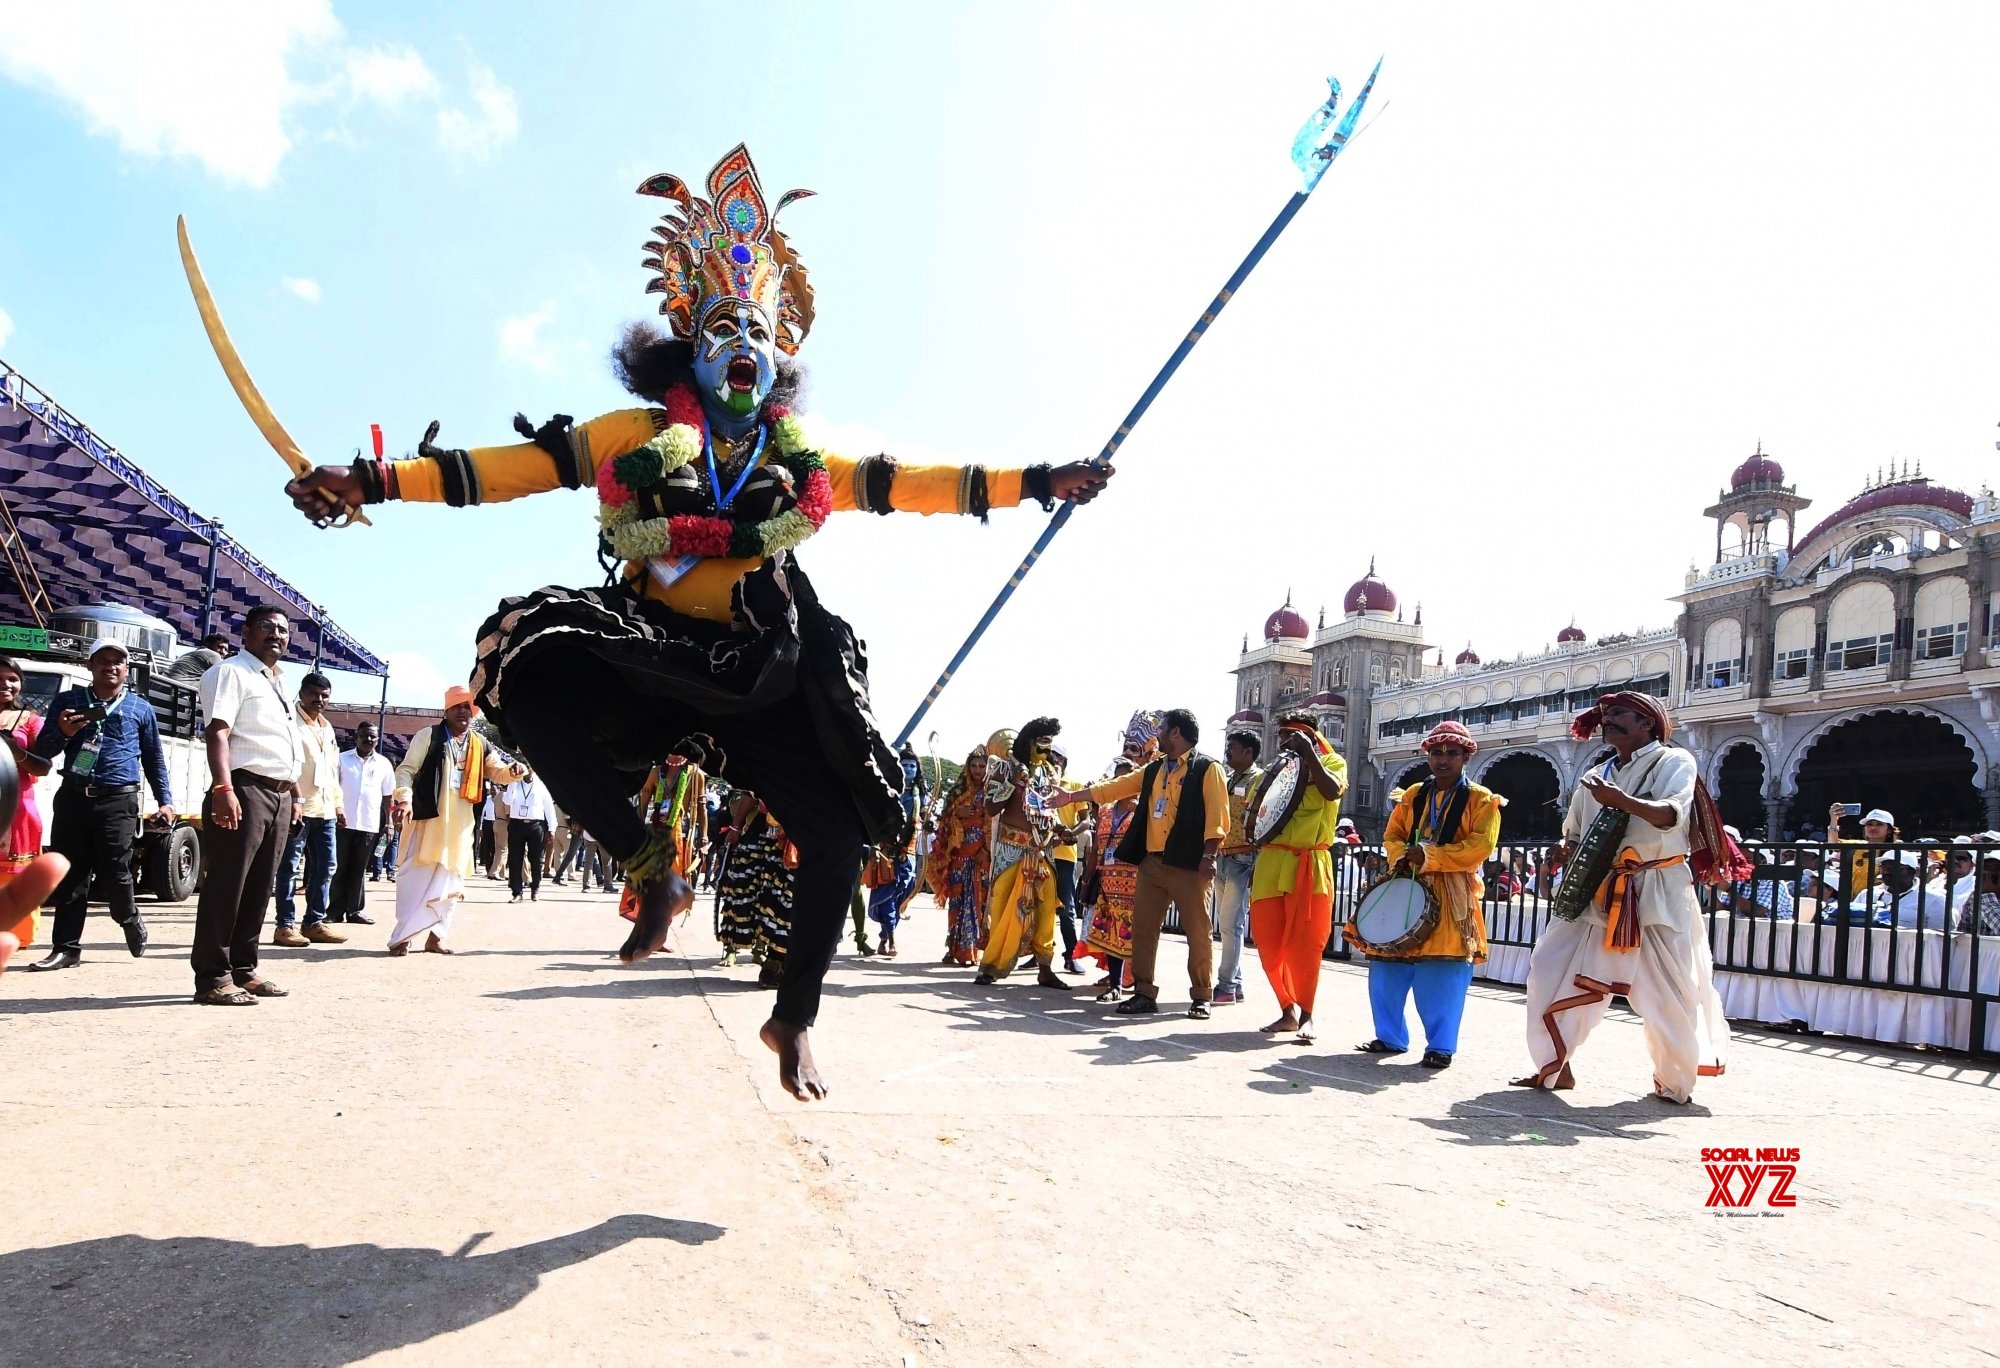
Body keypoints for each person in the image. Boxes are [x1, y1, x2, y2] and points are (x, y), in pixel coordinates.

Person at [282, 145, 1112, 1098]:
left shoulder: (800, 460)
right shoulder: (633, 438)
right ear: (689, 347)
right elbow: (495, 472)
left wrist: (1039, 482)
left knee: (839, 828)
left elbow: (911, 481)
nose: (746, 348)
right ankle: (650, 865)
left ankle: (792, 1016)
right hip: (643, 653)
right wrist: (374, 482)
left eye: (760, 332)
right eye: (726, 329)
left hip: (758, 669)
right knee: (532, 672)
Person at [1512, 692, 1741, 1102]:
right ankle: (1553, 1066)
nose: (1607, 720)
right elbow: (1577, 833)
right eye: (1605, 715)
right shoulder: (1596, 774)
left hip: (1656, 890)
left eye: (1619, 714)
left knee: (1668, 992)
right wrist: (1564, 849)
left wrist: (1620, 802)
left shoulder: (1674, 762)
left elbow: (1671, 814)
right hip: (1597, 891)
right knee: (1548, 967)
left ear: (1648, 723)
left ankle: (1675, 1083)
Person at [1354, 720, 1498, 1068]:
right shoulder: (1414, 794)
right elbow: (1392, 836)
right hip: (1405, 882)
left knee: (1442, 972)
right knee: (1387, 966)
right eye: (1436, 753)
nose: (1443, 759)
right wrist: (1403, 856)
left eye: (1451, 753)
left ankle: (1440, 1046)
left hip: (1451, 892)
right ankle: (1390, 1037)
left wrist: (1431, 856)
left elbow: (1480, 847)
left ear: (1466, 757)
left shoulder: (1482, 801)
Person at [1067, 707, 1227, 1019]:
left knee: (1197, 931)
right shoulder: (1154, 770)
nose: (1158, 734)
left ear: (1176, 733)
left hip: (1190, 864)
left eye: (1162, 728)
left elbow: (1218, 818)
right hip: (1152, 863)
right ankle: (1143, 993)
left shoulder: (1208, 768)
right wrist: (1071, 797)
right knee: (1142, 930)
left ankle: (1201, 996)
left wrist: (1209, 857)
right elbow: (1115, 787)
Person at [28, 638, 174, 971]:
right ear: (91, 666)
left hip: (118, 801)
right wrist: (63, 732)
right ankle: (66, 949)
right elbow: (44, 751)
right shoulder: (68, 701)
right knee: (70, 875)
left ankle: (129, 916)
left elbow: (154, 759)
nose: (110, 666)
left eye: (118, 661)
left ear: (126, 669)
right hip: (74, 798)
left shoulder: (140, 708)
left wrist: (165, 801)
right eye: (103, 660)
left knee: (114, 873)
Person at [191, 607, 303, 1004]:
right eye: (267, 628)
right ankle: (212, 977)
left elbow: (282, 743)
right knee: (227, 886)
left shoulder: (277, 680)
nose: (277, 635)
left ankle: (244, 969)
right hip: (243, 789)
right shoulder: (231, 672)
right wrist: (223, 787)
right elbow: (218, 732)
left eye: (284, 630)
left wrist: (295, 795)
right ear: (246, 633)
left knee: (258, 888)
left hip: (279, 794)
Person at [391, 686, 524, 954]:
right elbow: (406, 770)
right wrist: (404, 798)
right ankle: (403, 936)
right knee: (414, 879)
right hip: (427, 821)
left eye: (468, 707)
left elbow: (496, 770)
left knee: (452, 880)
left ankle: (437, 936)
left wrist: (512, 771)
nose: (463, 711)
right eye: (458, 706)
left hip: (461, 826)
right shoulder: (428, 736)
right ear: (447, 710)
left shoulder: (479, 742)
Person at [1243, 712, 1347, 1042]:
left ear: (1312, 736)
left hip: (1310, 865)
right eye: (1283, 735)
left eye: (1295, 734)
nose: (1287, 741)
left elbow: (1332, 792)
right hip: (1271, 864)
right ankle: (1286, 1011)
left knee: (1306, 944)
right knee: (1267, 943)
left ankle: (1307, 1015)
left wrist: (1310, 754)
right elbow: (1255, 819)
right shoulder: (1271, 775)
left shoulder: (1333, 762)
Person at [974, 721, 1073, 990]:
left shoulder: (1051, 772)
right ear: (1028, 741)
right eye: (1042, 740)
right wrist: (1011, 782)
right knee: (1005, 909)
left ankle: (1045, 970)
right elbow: (991, 808)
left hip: (1043, 850)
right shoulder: (1005, 768)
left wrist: (1062, 830)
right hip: (1012, 850)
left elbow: (1048, 811)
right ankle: (991, 966)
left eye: (1050, 741)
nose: (1046, 747)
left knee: (1045, 913)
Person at [273, 671, 346, 948]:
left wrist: (338, 805)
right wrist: (295, 800)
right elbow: (286, 765)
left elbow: (332, 771)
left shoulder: (327, 728)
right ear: (302, 693)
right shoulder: (289, 722)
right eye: (314, 694)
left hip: (325, 810)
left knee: (326, 867)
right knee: (289, 868)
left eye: (324, 695)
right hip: (298, 808)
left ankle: (314, 922)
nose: (319, 699)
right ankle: (284, 926)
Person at [716, 792, 795, 986]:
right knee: (747, 889)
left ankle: (775, 961)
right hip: (762, 827)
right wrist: (736, 826)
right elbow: (749, 790)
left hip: (796, 826)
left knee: (785, 896)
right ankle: (736, 950)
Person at [1210, 728, 1264, 1006]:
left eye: (1232, 748)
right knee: (1227, 924)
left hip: (1244, 858)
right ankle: (1235, 984)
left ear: (1248, 753)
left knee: (1231, 925)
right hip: (1223, 856)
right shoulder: (1228, 779)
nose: (1227, 752)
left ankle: (1226, 986)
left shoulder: (1262, 780)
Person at [1079, 757, 1140, 1000]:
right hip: (1106, 883)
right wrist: (1086, 881)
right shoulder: (1104, 810)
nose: (1120, 783)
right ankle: (1115, 985)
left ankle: (1139, 985)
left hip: (1134, 884)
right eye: (1117, 778)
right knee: (1112, 935)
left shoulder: (1142, 811)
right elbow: (1095, 848)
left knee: (1135, 936)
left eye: (1125, 778)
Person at [926, 750, 991, 966]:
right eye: (974, 766)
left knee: (977, 904)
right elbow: (944, 820)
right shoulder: (957, 792)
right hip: (958, 856)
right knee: (956, 902)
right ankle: (951, 948)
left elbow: (996, 824)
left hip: (980, 857)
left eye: (982, 766)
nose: (978, 771)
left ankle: (971, 951)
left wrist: (987, 850)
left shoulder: (994, 792)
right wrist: (956, 815)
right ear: (967, 767)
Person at [332, 721, 396, 923]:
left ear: (377, 739)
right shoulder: (341, 759)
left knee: (359, 869)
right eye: (364, 736)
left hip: (369, 824)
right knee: (339, 868)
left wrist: (390, 823)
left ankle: (355, 911)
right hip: (342, 823)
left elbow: (388, 797)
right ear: (356, 737)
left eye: (372, 737)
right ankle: (333, 912)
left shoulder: (384, 764)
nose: (368, 740)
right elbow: (332, 787)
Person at [0, 656, 53, 899]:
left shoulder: (29, 719)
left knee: (16, 890)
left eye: (13, 679)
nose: (7, 684)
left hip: (16, 811)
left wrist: (16, 752)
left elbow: (43, 767)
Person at [866, 746, 925, 957]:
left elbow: (922, 821)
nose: (908, 769)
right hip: (886, 849)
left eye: (912, 766)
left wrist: (927, 826)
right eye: (905, 765)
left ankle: (884, 936)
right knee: (885, 896)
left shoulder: (920, 797)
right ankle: (891, 939)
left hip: (907, 851)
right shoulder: (888, 791)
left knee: (901, 895)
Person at [504, 766, 559, 903]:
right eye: (523, 767)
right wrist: (512, 780)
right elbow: (507, 801)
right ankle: (517, 892)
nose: (526, 770)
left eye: (529, 767)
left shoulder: (541, 786)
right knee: (515, 859)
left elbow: (549, 808)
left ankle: (535, 888)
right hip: (517, 824)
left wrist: (552, 828)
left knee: (536, 860)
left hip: (536, 825)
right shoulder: (515, 783)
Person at [1867, 850, 1950, 930]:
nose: (1887, 870)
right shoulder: (1867, 894)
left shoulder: (1933, 899)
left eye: (1896, 867)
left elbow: (1939, 938)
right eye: (1884, 866)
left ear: (1915, 871)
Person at [1957, 845, 2000, 935]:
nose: (1991, 873)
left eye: (1997, 868)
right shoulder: (1974, 897)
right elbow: (1964, 933)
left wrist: (1988, 894)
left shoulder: (1983, 895)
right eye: (1986, 867)